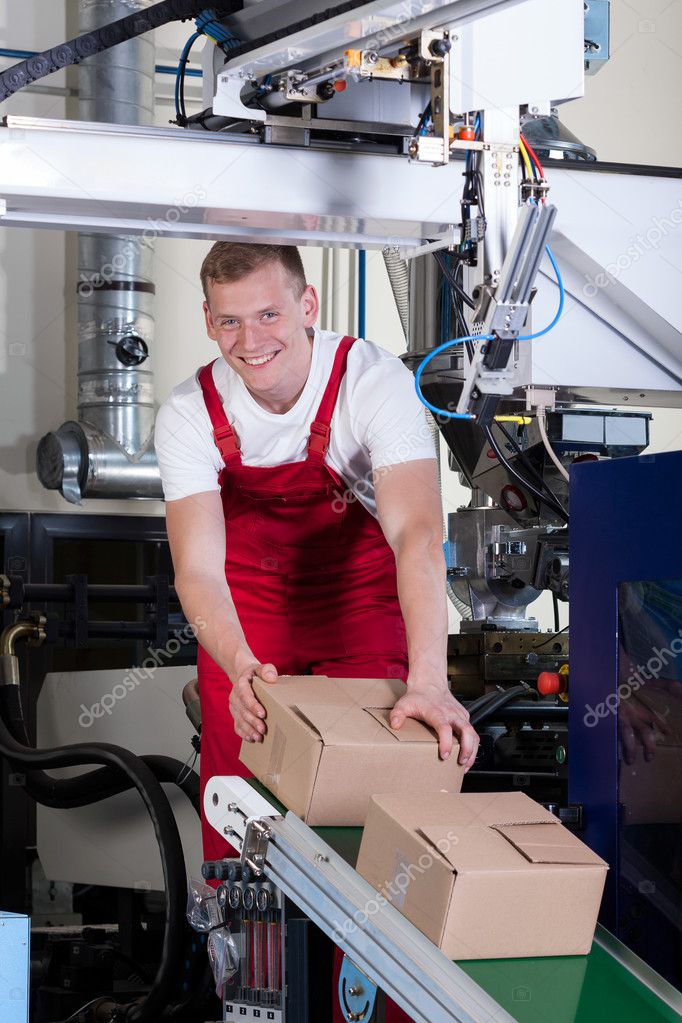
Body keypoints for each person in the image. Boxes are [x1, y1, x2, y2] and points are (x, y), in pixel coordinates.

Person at [154, 241, 480, 1022]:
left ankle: (368, 1006)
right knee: (244, 830)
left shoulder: (373, 384)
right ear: (207, 320)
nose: (250, 338)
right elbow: (198, 572)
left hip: (360, 607)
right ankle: (255, 1002)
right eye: (229, 320)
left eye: (268, 313)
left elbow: (415, 536)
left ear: (308, 307)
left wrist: (430, 679)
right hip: (247, 622)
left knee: (375, 813)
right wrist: (237, 668)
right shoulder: (188, 411)